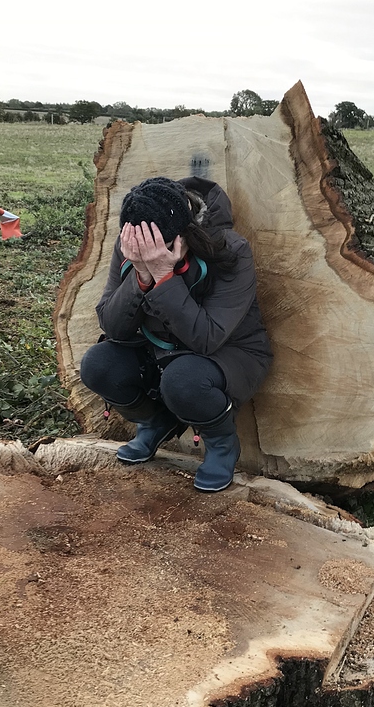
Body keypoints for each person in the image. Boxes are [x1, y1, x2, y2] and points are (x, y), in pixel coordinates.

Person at [79, 175, 272, 492]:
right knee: (99, 365)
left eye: (158, 248)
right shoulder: (134, 244)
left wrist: (163, 276)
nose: (149, 252)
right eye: (141, 248)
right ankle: (156, 422)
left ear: (183, 235)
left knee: (182, 379)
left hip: (229, 353)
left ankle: (222, 445)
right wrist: (141, 275)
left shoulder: (232, 249)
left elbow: (207, 338)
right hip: (158, 349)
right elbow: (112, 326)